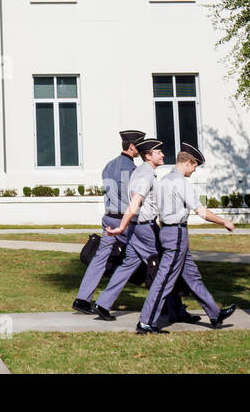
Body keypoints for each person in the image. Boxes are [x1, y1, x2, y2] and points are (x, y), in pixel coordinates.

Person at [136, 142, 238, 334]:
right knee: (164, 280)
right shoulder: (181, 183)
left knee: (192, 276)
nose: (194, 171)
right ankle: (146, 322)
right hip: (176, 234)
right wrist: (224, 222)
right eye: (194, 167)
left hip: (166, 230)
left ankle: (215, 314)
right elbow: (202, 212)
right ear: (188, 162)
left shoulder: (163, 181)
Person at [93, 137, 167, 320]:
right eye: (159, 152)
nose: (163, 154)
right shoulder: (145, 174)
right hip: (144, 227)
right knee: (162, 264)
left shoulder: (140, 171)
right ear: (148, 156)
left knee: (128, 265)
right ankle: (169, 308)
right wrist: (121, 227)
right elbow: (134, 203)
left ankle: (102, 304)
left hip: (136, 227)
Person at [72, 129, 143, 314]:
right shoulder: (129, 168)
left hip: (109, 216)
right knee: (146, 256)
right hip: (123, 220)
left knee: (99, 259)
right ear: (132, 146)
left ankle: (82, 299)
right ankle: (168, 304)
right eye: (140, 146)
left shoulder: (109, 165)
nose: (142, 150)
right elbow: (130, 197)